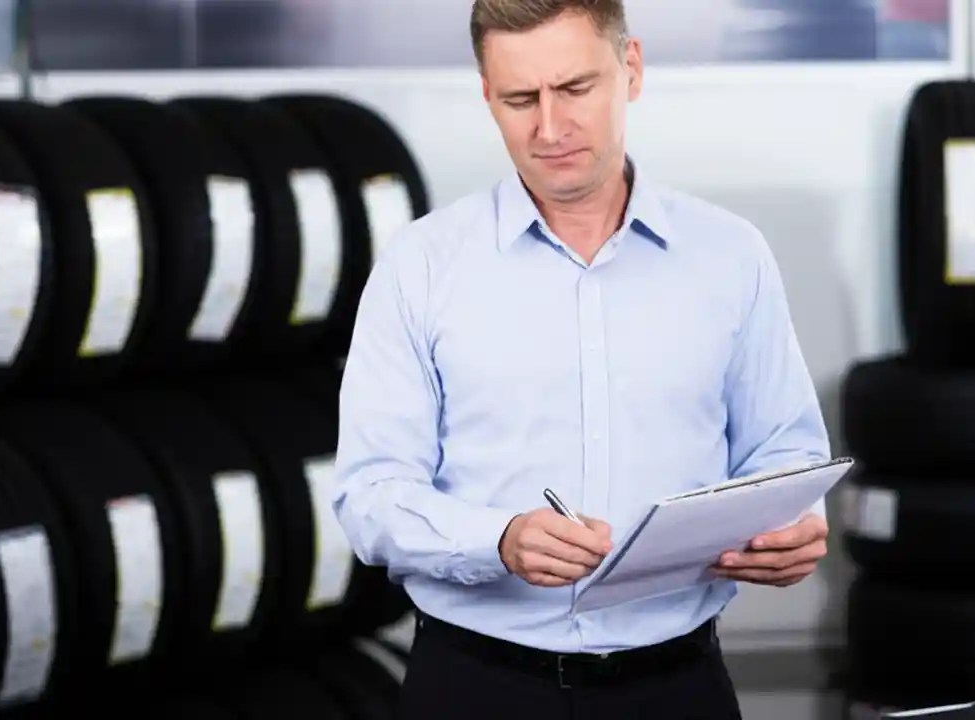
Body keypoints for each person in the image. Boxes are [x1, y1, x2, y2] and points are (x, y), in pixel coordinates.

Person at [331, 0, 832, 717]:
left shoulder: (731, 256)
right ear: (486, 96)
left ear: (629, 69)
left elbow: (784, 448)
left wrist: (792, 524)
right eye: (519, 99)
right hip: (477, 686)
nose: (550, 127)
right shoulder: (421, 267)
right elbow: (370, 494)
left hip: (678, 687)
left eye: (573, 89)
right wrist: (497, 540)